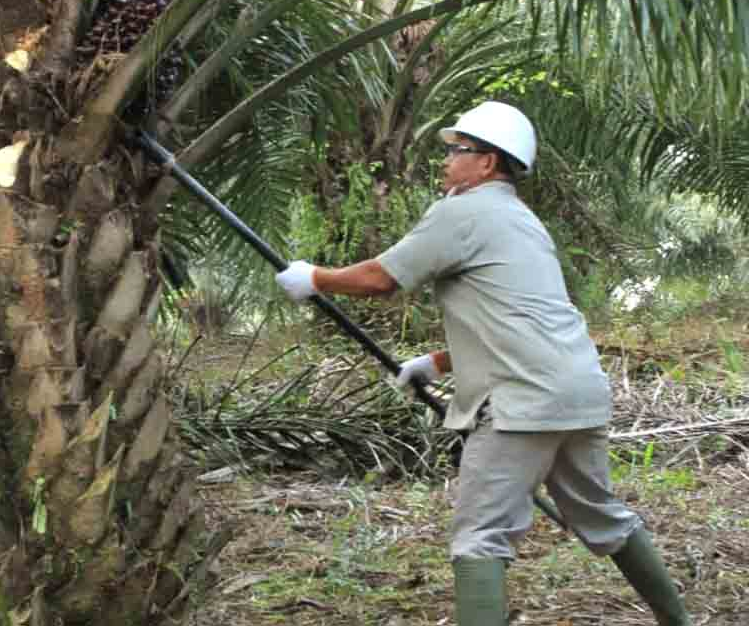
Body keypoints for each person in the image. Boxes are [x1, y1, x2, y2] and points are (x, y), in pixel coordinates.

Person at [274, 101, 690, 626]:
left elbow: (382, 279)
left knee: (480, 539)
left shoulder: (463, 211)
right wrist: (438, 362)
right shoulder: (524, 222)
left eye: (458, 150)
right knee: (604, 516)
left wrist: (316, 278)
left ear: (488, 163)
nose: (446, 160)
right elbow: (523, 316)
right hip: (578, 391)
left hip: (522, 399)